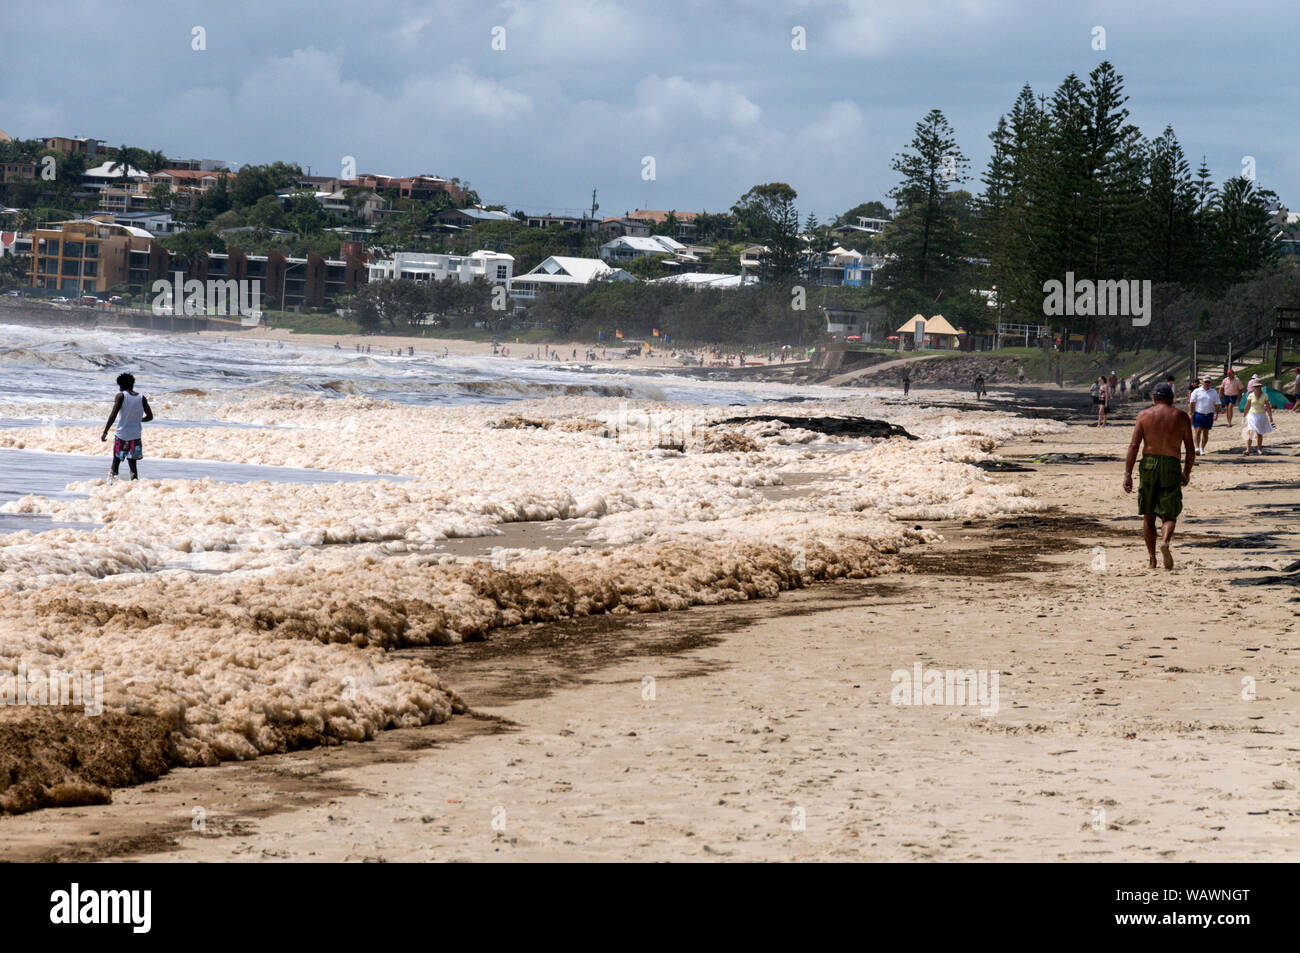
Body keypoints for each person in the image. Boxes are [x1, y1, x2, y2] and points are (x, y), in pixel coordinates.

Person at [1123, 382, 1194, 569]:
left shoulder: (1144, 415)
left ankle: (1152, 559)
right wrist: (1186, 472)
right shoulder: (1181, 416)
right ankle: (1165, 542)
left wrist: (1127, 474)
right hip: (1171, 464)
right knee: (1169, 514)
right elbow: (1190, 449)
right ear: (1171, 397)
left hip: (1149, 464)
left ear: (1155, 397)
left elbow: (1133, 446)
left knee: (1148, 514)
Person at [101, 372, 154, 481]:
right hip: (135, 435)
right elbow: (150, 417)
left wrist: (105, 431)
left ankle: (111, 485)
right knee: (133, 465)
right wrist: (138, 419)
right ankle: (134, 485)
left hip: (122, 435)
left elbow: (113, 415)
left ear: (121, 385)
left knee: (116, 462)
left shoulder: (121, 396)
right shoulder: (141, 397)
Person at [1241, 377, 1275, 455]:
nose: (1257, 387)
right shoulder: (1251, 395)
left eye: (1258, 386)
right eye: (1255, 386)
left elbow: (1268, 407)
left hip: (1261, 415)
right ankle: (1247, 449)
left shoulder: (1265, 395)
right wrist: (1244, 415)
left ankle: (1259, 449)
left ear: (1260, 386)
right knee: (1250, 432)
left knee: (1260, 433)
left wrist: (1270, 416)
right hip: (1252, 415)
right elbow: (1247, 406)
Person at [1187, 375, 1219, 455]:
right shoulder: (1196, 391)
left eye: (1209, 382)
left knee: (1205, 433)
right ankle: (1197, 447)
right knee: (1197, 431)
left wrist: (1216, 413)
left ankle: (1202, 448)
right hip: (1198, 413)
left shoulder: (1213, 392)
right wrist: (1190, 413)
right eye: (1205, 382)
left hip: (1209, 414)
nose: (1207, 383)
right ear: (1202, 382)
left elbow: (1217, 403)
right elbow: (1192, 403)